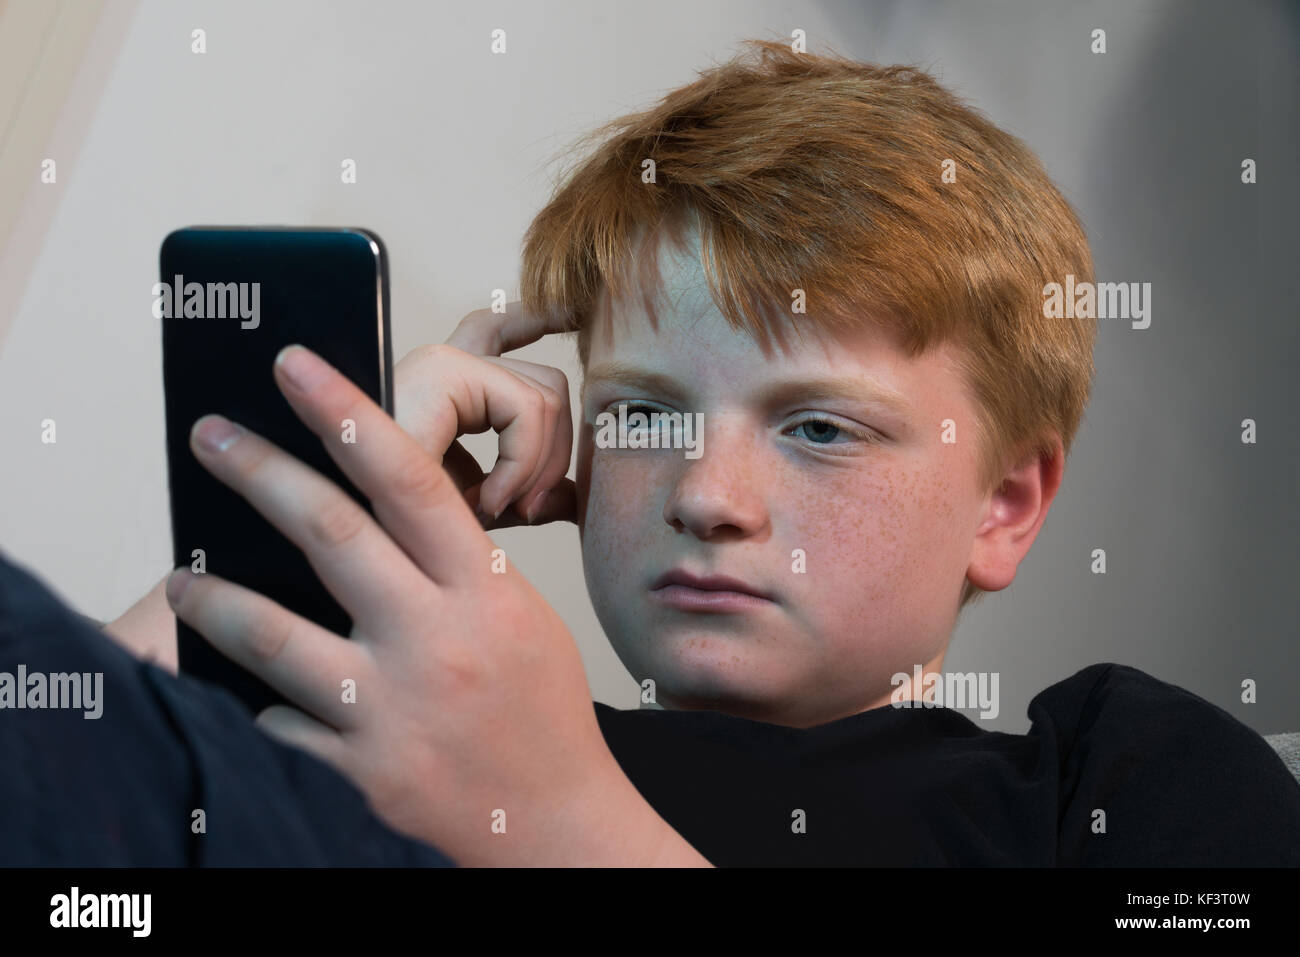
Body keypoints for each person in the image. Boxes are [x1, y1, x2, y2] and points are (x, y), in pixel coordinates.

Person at [6, 40, 1298, 866]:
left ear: (1006, 505)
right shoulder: (449, 714)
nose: (704, 495)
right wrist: (347, 535)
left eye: (818, 428)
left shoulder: (1113, 781)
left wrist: (562, 819)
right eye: (642, 416)